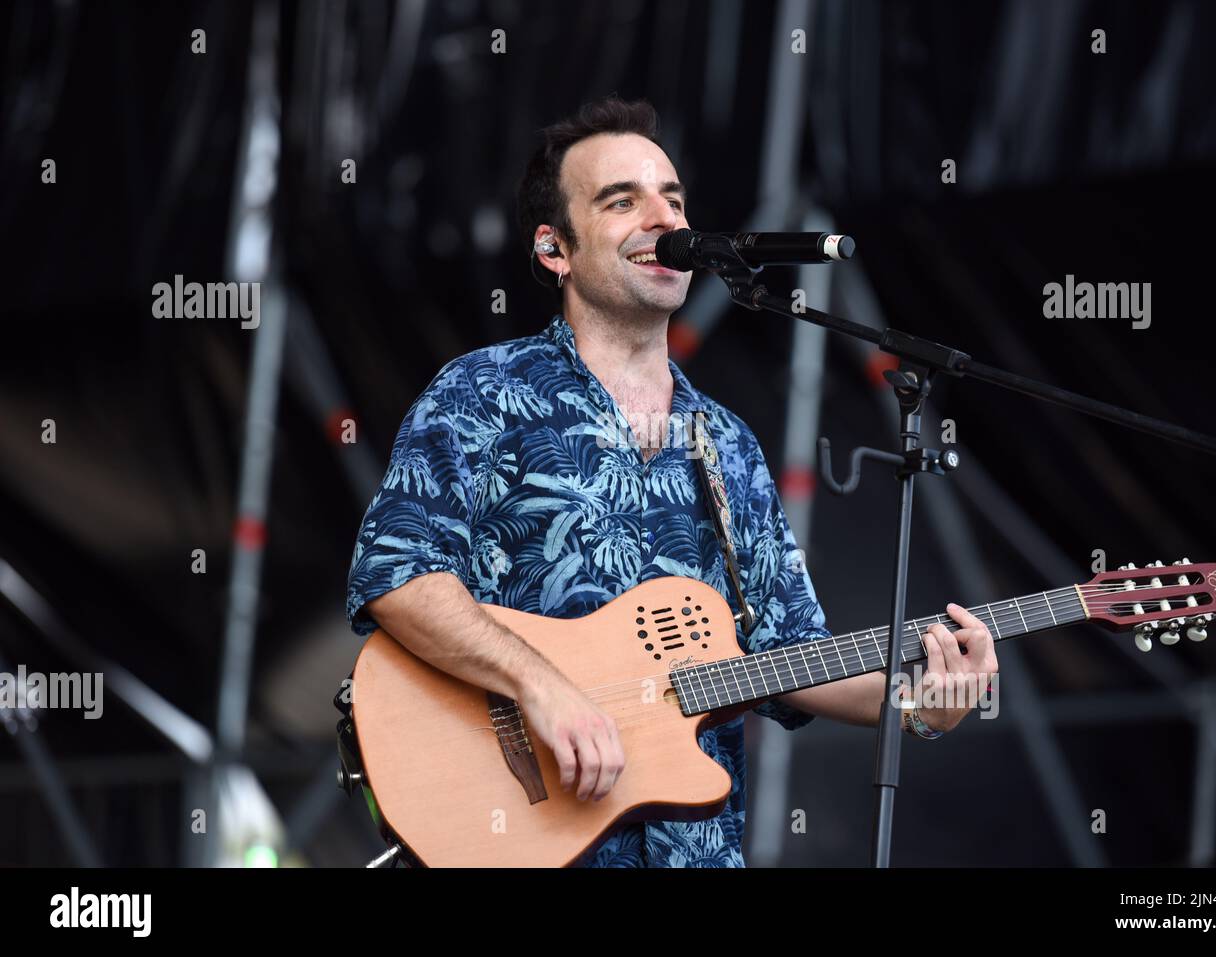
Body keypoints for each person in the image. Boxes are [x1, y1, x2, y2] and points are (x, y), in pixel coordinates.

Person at [345, 95, 998, 867]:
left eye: (673, 198)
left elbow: (792, 657)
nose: (663, 218)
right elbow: (398, 575)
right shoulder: (481, 393)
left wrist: (921, 705)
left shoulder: (726, 442)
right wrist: (542, 685)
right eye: (622, 201)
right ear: (555, 249)